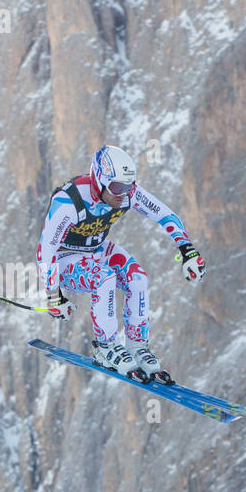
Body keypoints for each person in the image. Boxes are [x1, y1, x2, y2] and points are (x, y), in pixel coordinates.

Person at [36, 145, 206, 383]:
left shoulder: (126, 194)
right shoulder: (69, 201)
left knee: (137, 276)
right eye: (117, 187)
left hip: (96, 250)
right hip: (66, 259)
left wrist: (186, 249)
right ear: (99, 181)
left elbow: (163, 213)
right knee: (104, 277)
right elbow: (46, 250)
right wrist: (54, 295)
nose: (124, 194)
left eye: (129, 186)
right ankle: (105, 346)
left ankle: (137, 346)